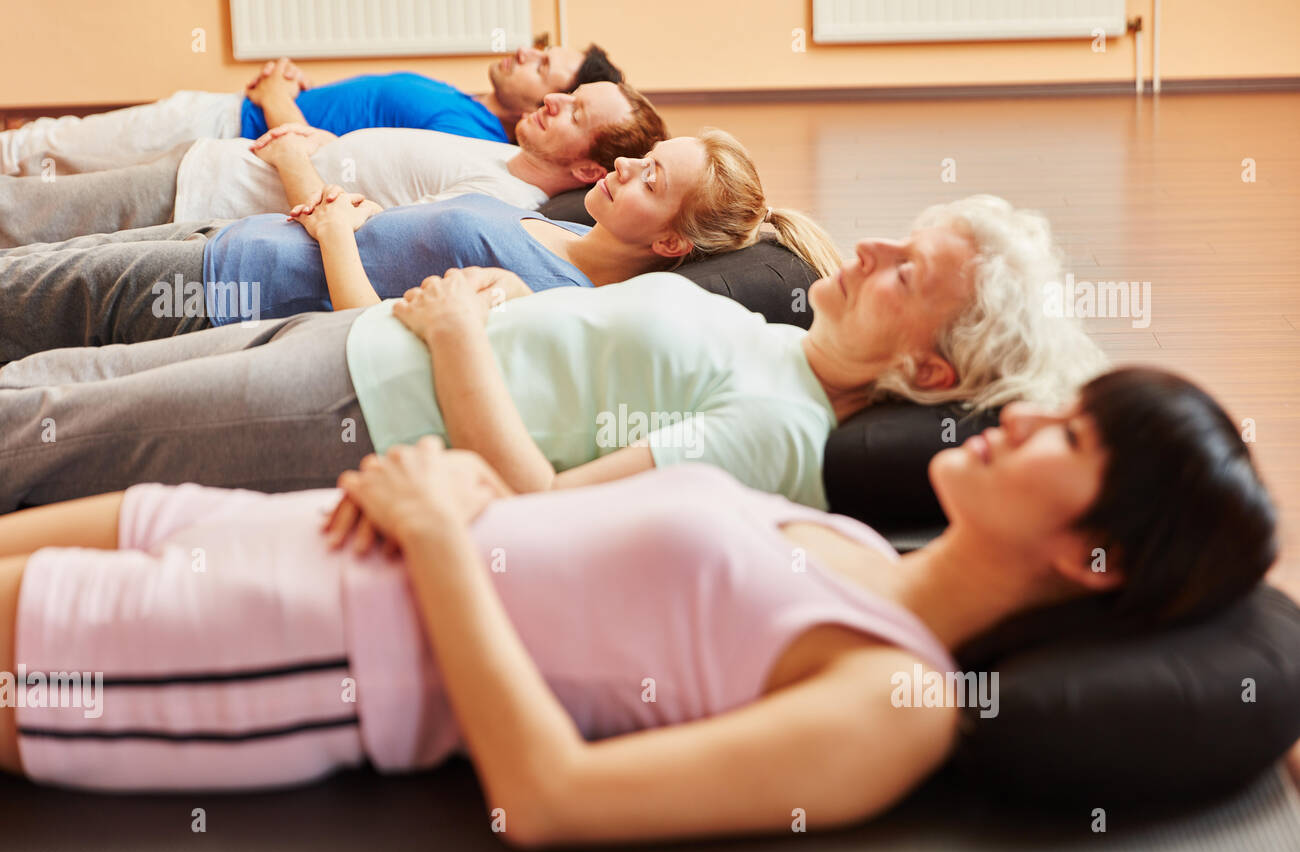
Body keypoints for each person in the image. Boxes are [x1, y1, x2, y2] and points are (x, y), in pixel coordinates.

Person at [0, 368, 1276, 849]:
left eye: (1073, 437)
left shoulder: (897, 698)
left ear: (1095, 558)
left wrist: (443, 538)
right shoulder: (838, 535)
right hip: (269, 521)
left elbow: (544, 797)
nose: (1022, 418)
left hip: (285, 652)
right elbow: (554, 529)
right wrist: (458, 479)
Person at [0, 195, 1101, 515]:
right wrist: (503, 296)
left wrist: (459, 335)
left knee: (38, 443)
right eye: (904, 233)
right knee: (38, 393)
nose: (873, 244)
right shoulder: (780, 341)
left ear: (933, 371)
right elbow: (587, 366)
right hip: (353, 348)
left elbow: (539, 508)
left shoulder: (781, 431)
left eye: (908, 269)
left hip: (343, 409)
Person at [0, 130, 834, 360]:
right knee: (30, 276)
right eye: (644, 159)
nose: (625, 171)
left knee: (31, 299)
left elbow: (374, 328)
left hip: (235, 287)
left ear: (674, 243)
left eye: (652, 182)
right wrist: (360, 217)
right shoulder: (570, 224)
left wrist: (333, 236)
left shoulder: (555, 295)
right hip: (237, 238)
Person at [0, 81, 667, 247]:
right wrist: (319, 141)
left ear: (586, 172)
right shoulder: (504, 153)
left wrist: (293, 153)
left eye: (577, 113)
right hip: (218, 164)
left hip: (206, 200)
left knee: (24, 218)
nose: (554, 101)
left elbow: (353, 230)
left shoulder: (491, 196)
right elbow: (373, 176)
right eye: (570, 96)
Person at [0, 47, 625, 175]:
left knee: (47, 148)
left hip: (228, 133)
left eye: (547, 68)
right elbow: (354, 119)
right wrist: (300, 83)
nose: (528, 57)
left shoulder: (468, 134)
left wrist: (277, 98)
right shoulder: (468, 105)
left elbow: (341, 161)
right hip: (226, 116)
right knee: (49, 148)